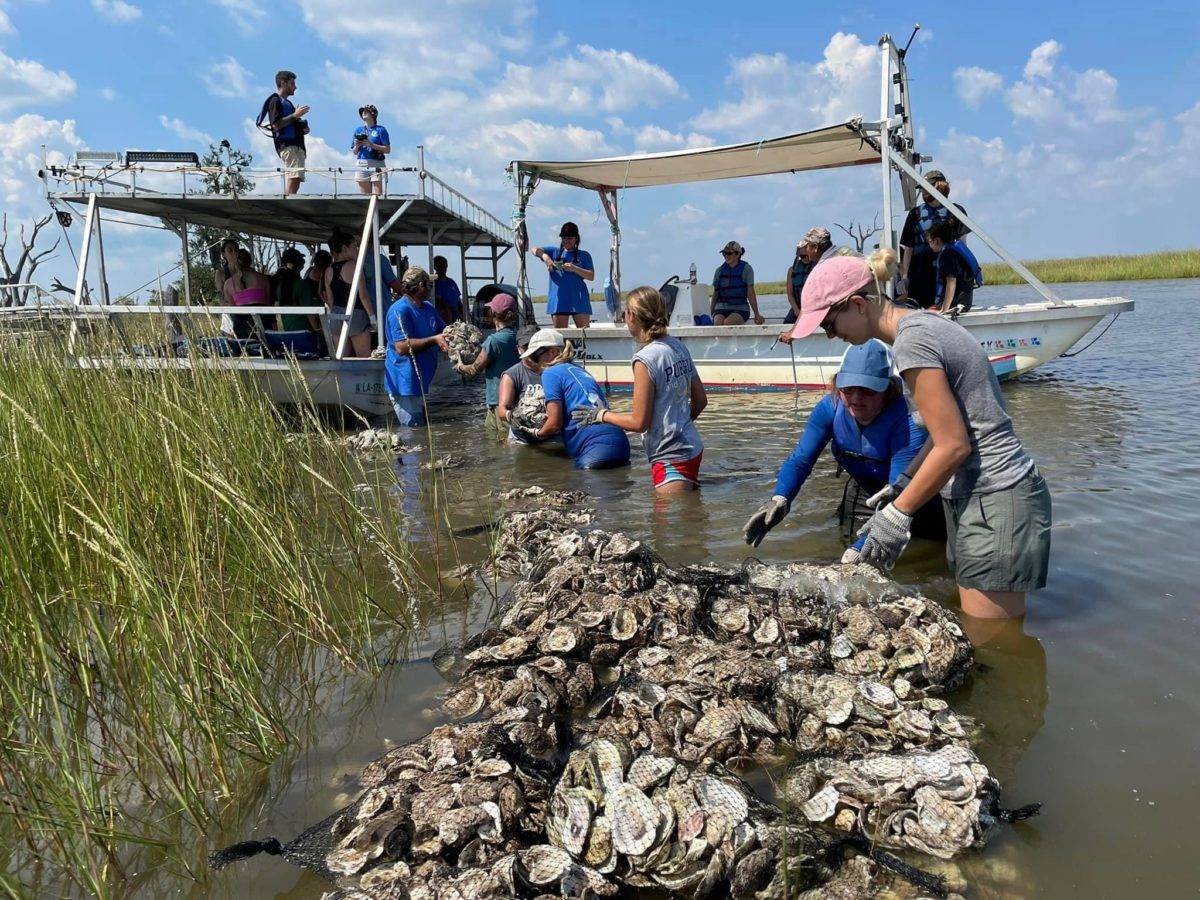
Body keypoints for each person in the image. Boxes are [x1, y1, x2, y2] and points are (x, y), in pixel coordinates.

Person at [788, 251, 1051, 620]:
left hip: (994, 494)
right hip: (977, 495)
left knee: (995, 643)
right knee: (974, 628)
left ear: (859, 304)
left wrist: (896, 514)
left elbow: (955, 444)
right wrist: (905, 481)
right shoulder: (921, 326)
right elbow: (955, 425)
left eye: (830, 323)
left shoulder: (912, 342)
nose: (832, 335)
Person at [743, 339, 943, 549]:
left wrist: (857, 552)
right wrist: (780, 498)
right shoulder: (829, 408)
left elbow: (899, 491)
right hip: (864, 491)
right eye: (848, 388)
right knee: (844, 546)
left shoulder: (908, 422)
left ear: (887, 388)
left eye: (868, 390)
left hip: (917, 501)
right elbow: (800, 461)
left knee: (924, 558)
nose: (856, 398)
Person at [575, 286, 706, 492]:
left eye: (625, 312)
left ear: (632, 316)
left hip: (670, 456)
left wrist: (602, 415)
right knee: (688, 515)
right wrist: (680, 426)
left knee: (665, 522)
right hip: (692, 447)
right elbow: (701, 401)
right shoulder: (678, 346)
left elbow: (639, 423)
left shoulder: (644, 360)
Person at [516, 329, 630, 469]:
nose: (534, 362)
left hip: (595, 448)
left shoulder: (550, 373)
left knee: (580, 487)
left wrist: (537, 433)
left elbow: (554, 424)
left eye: (535, 356)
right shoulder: (579, 369)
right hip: (621, 443)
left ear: (554, 352)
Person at [385, 266, 447, 427]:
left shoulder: (428, 308)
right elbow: (401, 347)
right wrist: (433, 340)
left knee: (421, 430)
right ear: (420, 286)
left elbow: (443, 331)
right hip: (404, 384)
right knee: (413, 432)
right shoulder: (399, 310)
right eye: (429, 284)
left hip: (420, 382)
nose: (431, 288)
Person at [899, 170, 968, 307]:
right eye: (923, 189)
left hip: (946, 272)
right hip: (919, 274)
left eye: (927, 188)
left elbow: (962, 246)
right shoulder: (915, 214)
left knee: (942, 309)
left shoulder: (956, 212)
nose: (924, 192)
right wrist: (905, 276)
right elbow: (908, 248)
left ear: (939, 186)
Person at [455, 292, 519, 435]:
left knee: (500, 439)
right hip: (515, 399)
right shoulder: (519, 337)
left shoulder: (493, 341)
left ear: (493, 313)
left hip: (498, 401)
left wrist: (459, 366)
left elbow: (474, 369)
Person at [498, 324, 554, 445]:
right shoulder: (511, 375)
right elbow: (501, 410)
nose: (532, 351)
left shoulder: (555, 369)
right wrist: (515, 416)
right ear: (519, 349)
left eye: (535, 346)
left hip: (552, 435)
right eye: (527, 346)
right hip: (523, 438)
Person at [531, 222, 594, 329]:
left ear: (576, 239)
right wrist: (546, 258)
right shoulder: (554, 252)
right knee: (560, 337)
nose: (566, 241)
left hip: (579, 300)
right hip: (559, 301)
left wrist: (574, 268)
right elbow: (534, 250)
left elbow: (591, 276)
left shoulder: (584, 255)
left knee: (585, 335)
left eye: (569, 238)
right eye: (564, 238)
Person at [323, 231, 376, 358]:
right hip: (355, 314)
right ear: (344, 248)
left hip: (336, 315)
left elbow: (330, 300)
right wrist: (372, 318)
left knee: (342, 359)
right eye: (354, 247)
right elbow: (363, 295)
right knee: (363, 358)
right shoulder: (354, 267)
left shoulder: (328, 270)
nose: (357, 250)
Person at [263, 71, 310, 195]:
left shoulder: (288, 103)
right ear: (283, 83)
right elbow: (275, 125)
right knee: (294, 177)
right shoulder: (275, 100)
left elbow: (292, 122)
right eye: (292, 83)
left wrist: (303, 128)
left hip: (295, 145)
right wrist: (295, 115)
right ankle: (288, 201)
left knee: (297, 177)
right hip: (288, 145)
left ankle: (289, 199)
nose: (295, 86)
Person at [927, 220, 976, 313]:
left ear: (936, 240)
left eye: (929, 241)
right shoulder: (953, 251)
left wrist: (944, 310)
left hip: (956, 304)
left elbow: (951, 282)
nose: (929, 245)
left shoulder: (946, 255)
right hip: (965, 301)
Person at [710, 241, 763, 325]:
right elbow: (715, 294)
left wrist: (757, 314)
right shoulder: (719, 271)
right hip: (721, 308)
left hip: (740, 308)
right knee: (718, 323)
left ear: (738, 254)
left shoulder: (747, 269)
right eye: (724, 253)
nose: (726, 256)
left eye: (729, 253)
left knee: (728, 322)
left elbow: (750, 293)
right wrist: (710, 312)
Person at [223, 249, 272, 339]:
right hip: (264, 330)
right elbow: (268, 305)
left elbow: (234, 313)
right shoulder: (263, 279)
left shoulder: (228, 284)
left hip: (242, 333)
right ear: (250, 261)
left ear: (235, 261)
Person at [352, 103, 390, 195]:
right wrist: (357, 145)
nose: (363, 113)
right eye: (362, 111)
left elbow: (387, 149)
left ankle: (378, 209)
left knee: (378, 196)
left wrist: (371, 145)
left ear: (373, 114)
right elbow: (354, 151)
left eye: (366, 111)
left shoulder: (380, 129)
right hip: (361, 163)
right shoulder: (358, 130)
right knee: (365, 197)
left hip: (376, 163)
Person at [783, 240, 813, 325]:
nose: (807, 258)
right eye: (803, 256)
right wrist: (797, 310)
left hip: (814, 307)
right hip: (798, 306)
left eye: (809, 255)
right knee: (786, 325)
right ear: (799, 256)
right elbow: (790, 294)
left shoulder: (817, 268)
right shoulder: (791, 271)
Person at [432, 256, 463, 323]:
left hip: (457, 320)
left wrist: (463, 315)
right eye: (440, 265)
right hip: (443, 320)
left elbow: (458, 301)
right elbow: (440, 302)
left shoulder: (452, 282)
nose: (443, 268)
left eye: (444, 265)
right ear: (435, 267)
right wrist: (457, 313)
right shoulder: (434, 283)